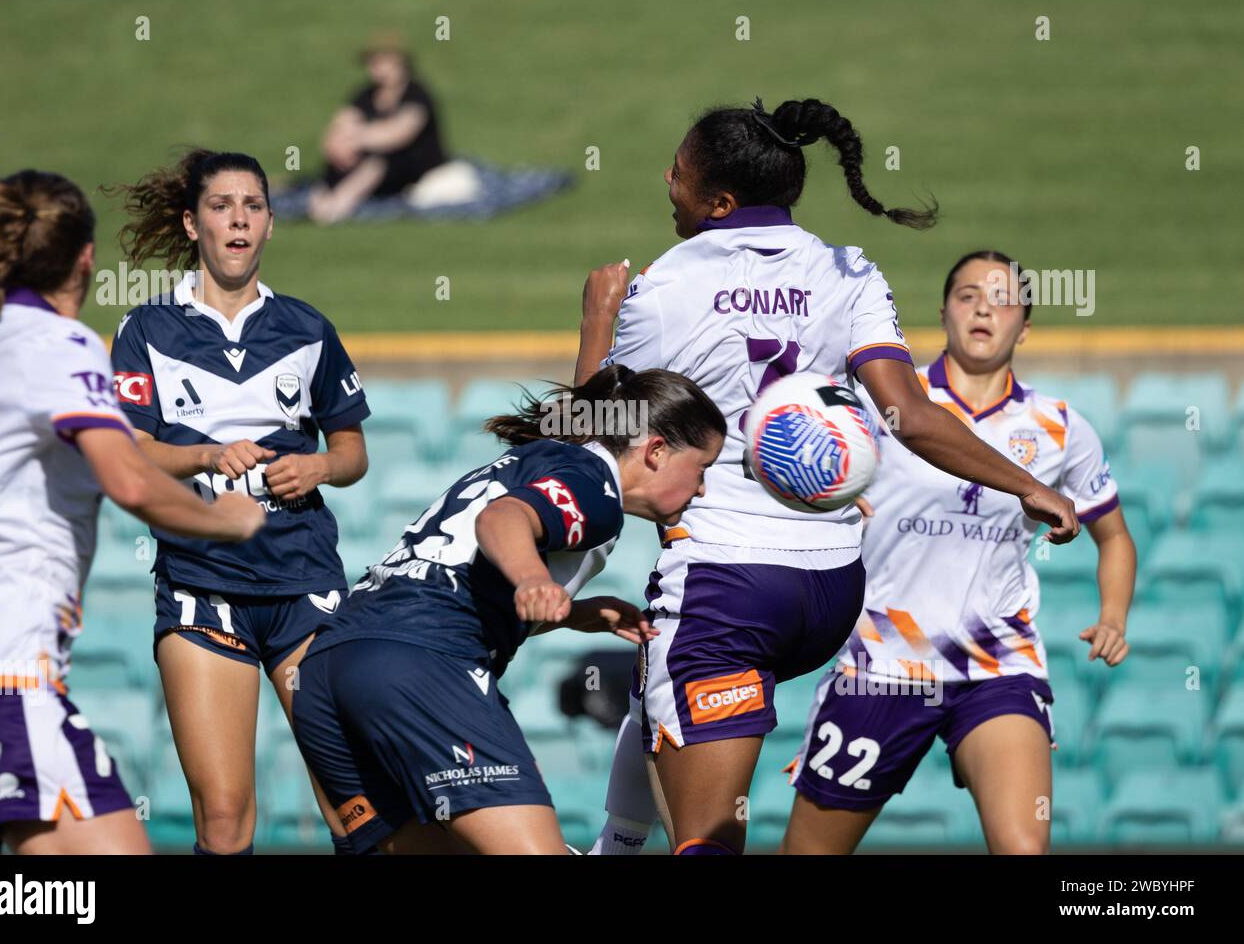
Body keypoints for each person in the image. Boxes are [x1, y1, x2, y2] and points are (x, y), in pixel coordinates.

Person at [575, 97, 1079, 855]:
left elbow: (594, 437)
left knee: (705, 833)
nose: (666, 182)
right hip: (831, 592)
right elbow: (908, 414)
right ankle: (618, 840)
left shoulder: (667, 283)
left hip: (728, 587)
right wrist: (1030, 487)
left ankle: (621, 840)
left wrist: (595, 325)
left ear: (718, 201)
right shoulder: (847, 270)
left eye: (676, 173)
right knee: (660, 701)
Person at [0, 170, 264, 854]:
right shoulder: (61, 347)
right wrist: (228, 520)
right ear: (87, 258)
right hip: (0, 680)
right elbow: (133, 482)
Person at [780, 250, 1135, 854]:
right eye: (968, 295)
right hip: (881, 667)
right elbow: (802, 476)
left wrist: (1112, 618)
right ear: (943, 311)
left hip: (997, 664)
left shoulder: (1059, 427)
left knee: (1024, 849)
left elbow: (1115, 537)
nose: (982, 309)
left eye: (1002, 299)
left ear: (1025, 326)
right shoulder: (884, 403)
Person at [291, 365, 726, 854]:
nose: (703, 488)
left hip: (331, 668)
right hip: (422, 664)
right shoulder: (596, 490)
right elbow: (503, 518)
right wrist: (534, 579)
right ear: (656, 450)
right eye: (702, 468)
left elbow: (460, 577)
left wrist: (577, 612)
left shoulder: (543, 458)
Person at [106, 149, 371, 854]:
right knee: (224, 816)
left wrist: (317, 467)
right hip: (202, 585)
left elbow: (352, 453)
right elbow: (128, 452)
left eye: (253, 206)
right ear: (193, 224)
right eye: (222, 206)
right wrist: (203, 455)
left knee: (355, 802)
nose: (239, 220)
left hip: (305, 584)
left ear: (270, 225)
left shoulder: (307, 328)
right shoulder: (146, 330)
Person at [309, 35, 450, 223]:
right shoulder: (365, 94)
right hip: (367, 157)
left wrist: (354, 140)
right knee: (339, 160)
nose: (378, 69)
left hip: (410, 164)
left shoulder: (416, 94)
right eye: (373, 63)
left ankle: (340, 203)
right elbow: (342, 123)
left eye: (385, 62)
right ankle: (319, 201)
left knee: (378, 162)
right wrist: (337, 144)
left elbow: (398, 133)